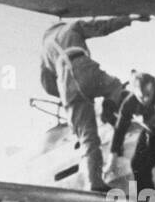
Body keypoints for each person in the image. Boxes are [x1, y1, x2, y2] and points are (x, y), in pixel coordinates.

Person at [39, 15, 139, 191]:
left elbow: (47, 85)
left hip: (66, 86)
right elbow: (102, 26)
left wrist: (65, 94)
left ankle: (95, 183)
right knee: (115, 87)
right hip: (85, 69)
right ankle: (112, 111)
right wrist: (127, 19)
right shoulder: (71, 27)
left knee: (88, 138)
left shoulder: (45, 49)